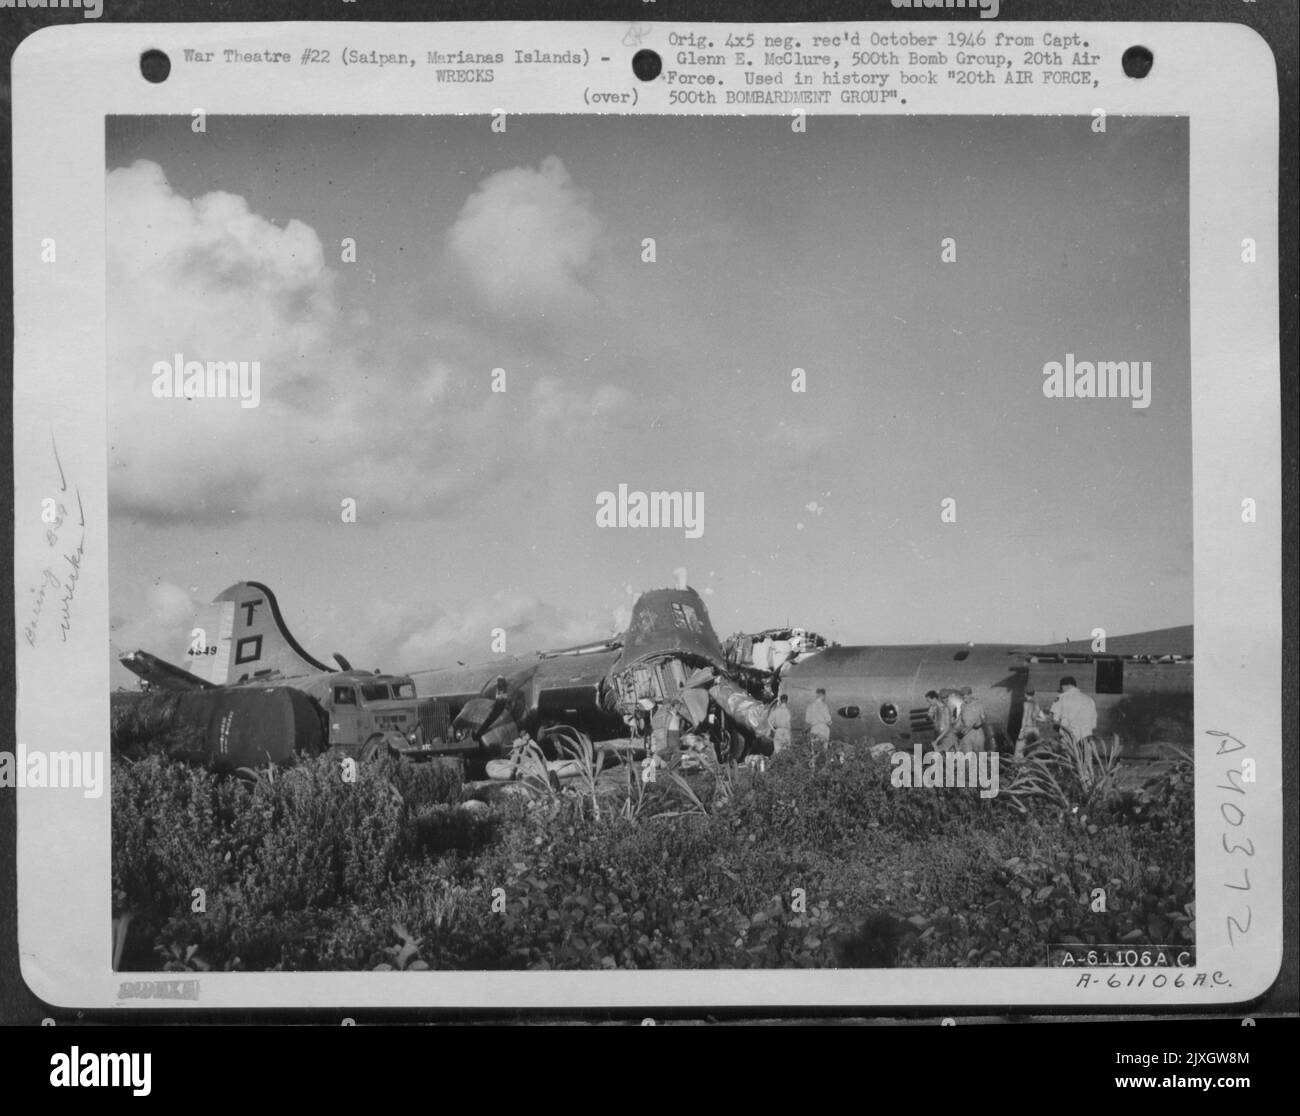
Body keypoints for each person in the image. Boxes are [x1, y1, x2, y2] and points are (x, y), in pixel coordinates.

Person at [1050, 676, 1097, 744]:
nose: (1062, 690)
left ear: (1065, 686)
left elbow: (1055, 720)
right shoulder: (1089, 699)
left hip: (1069, 740)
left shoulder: (1061, 697)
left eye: (1061, 688)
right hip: (1087, 740)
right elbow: (1093, 724)